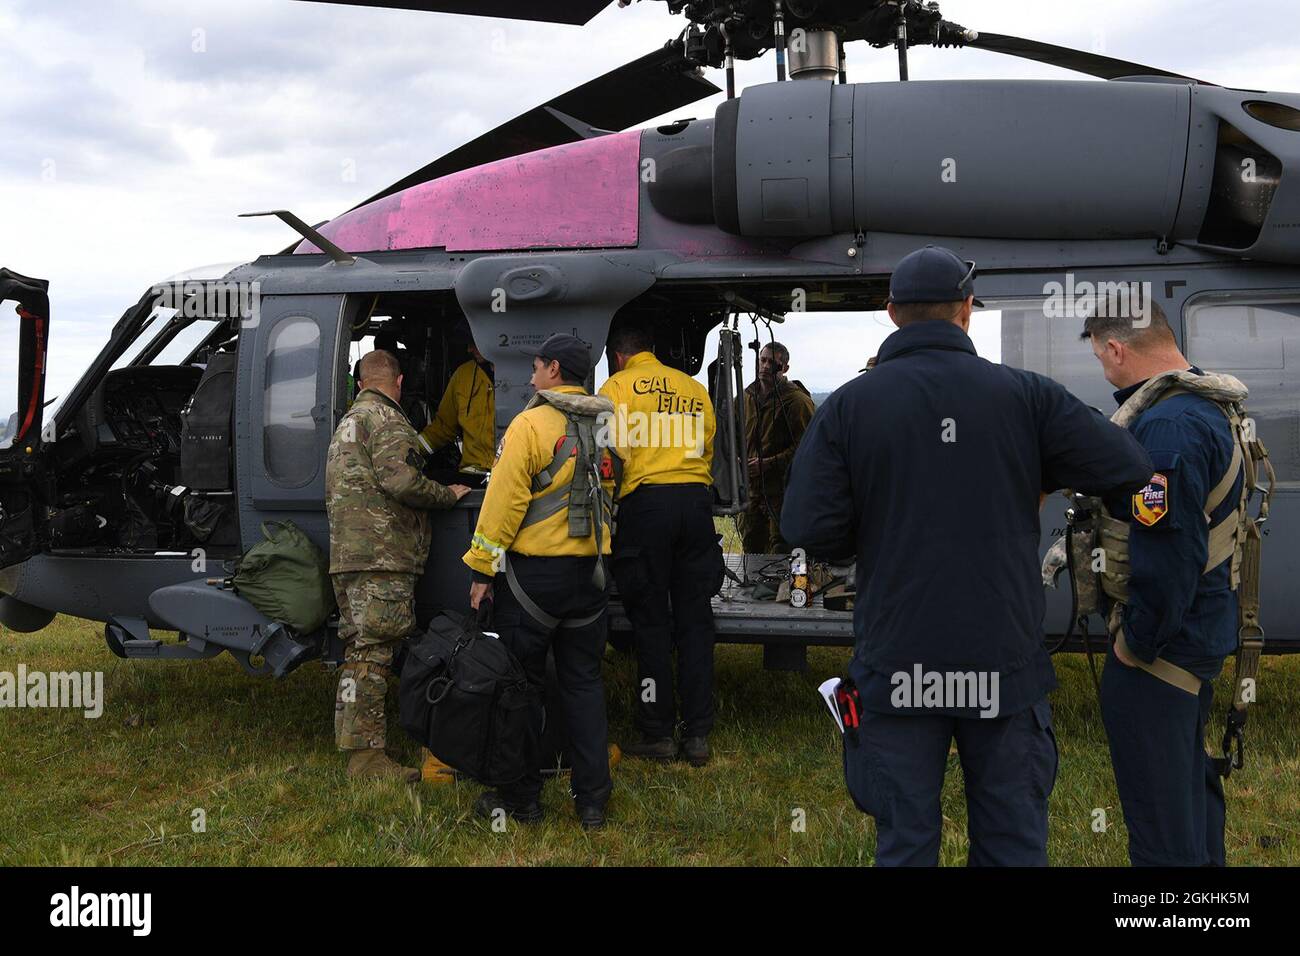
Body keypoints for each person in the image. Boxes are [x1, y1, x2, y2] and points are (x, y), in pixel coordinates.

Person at [782, 245, 1153, 866]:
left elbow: (808, 528)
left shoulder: (849, 405)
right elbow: (1128, 465)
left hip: (899, 661)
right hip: (1001, 663)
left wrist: (877, 528)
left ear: (892, 312)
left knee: (905, 844)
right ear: (968, 311)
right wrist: (1036, 476)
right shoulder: (1027, 397)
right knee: (1011, 844)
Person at [1082, 295, 1260, 866]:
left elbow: (1168, 554)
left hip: (1162, 653)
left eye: (1101, 357)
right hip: (1197, 639)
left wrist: (1135, 644)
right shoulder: (1207, 403)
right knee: (1188, 791)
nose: (1104, 369)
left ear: (1116, 348)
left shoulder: (1167, 426)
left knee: (1160, 824)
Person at [464, 333, 616, 829]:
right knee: (584, 684)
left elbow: (503, 501)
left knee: (520, 689)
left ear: (553, 369)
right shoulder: (610, 424)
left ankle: (521, 799)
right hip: (591, 577)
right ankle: (592, 802)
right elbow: (620, 487)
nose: (530, 377)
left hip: (535, 580)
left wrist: (482, 569)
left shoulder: (530, 424)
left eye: (534, 367)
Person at [326, 350, 471, 781]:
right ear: (400, 382)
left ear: (359, 381)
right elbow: (402, 481)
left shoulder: (348, 422)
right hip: (381, 559)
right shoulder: (386, 420)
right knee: (373, 656)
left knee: (359, 650)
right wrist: (449, 494)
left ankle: (356, 747)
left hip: (350, 557)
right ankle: (367, 761)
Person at [600, 322, 721, 767]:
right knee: (695, 622)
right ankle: (698, 735)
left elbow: (608, 455)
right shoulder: (691, 388)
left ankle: (657, 733)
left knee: (650, 623)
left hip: (646, 506)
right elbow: (707, 444)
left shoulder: (615, 387)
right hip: (694, 504)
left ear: (618, 357)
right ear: (651, 349)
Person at [740, 342, 816, 555]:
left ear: (784, 368)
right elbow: (733, 435)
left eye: (772, 362)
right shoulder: (745, 398)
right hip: (751, 493)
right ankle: (754, 589)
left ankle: (787, 590)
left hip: (782, 494)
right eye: (762, 360)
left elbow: (806, 448)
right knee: (752, 550)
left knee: (783, 552)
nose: (765, 366)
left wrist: (769, 463)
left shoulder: (797, 402)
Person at [419, 339, 496, 474]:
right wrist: (410, 448)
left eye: (475, 342)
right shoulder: (463, 375)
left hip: (514, 474)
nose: (469, 350)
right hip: (474, 474)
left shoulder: (528, 376)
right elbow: (443, 427)